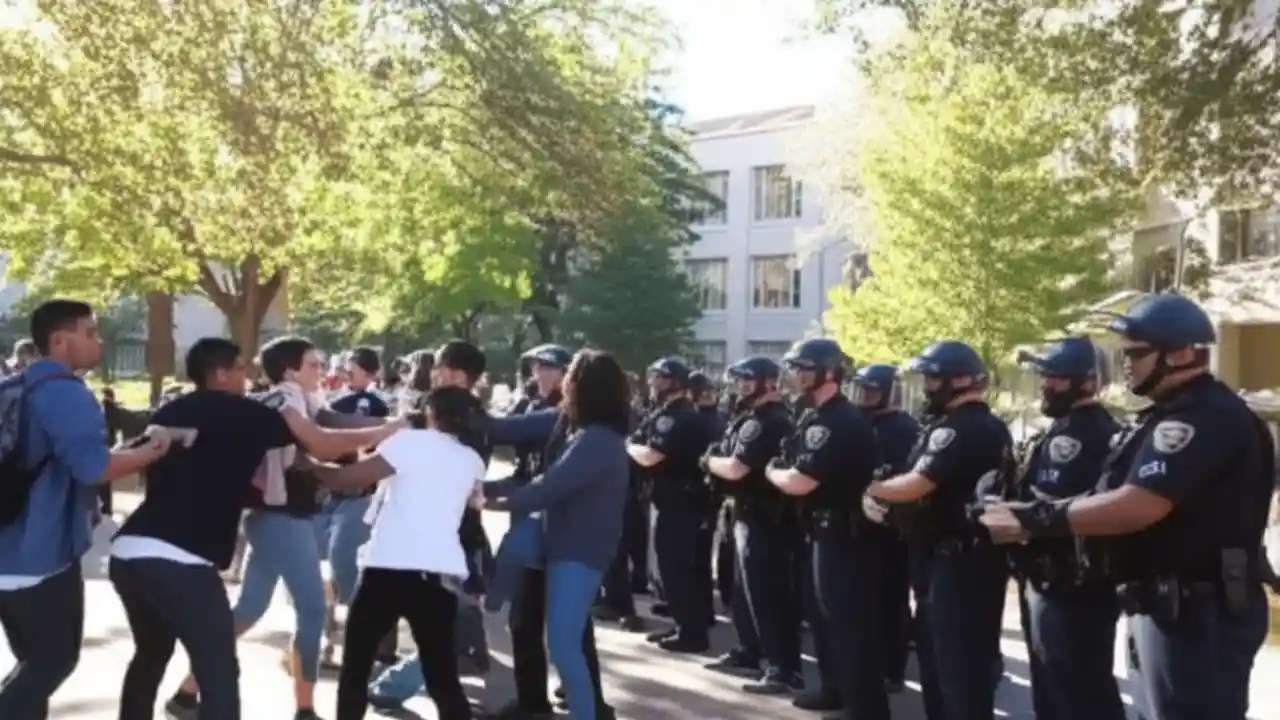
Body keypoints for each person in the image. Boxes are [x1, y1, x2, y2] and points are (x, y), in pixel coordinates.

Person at [980, 293, 1273, 718]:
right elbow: (1109, 494)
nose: (1126, 364)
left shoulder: (1203, 416)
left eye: (1137, 352)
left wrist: (1038, 518)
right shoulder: (1166, 415)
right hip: (1166, 604)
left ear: (1182, 353)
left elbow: (1139, 505)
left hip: (1197, 613)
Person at [111, 337, 403, 720]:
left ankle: (175, 701)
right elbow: (322, 443)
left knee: (152, 654)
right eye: (239, 367)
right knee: (222, 667)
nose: (248, 375)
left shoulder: (173, 407)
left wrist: (383, 426)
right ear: (220, 373)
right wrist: (390, 430)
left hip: (129, 550)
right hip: (181, 558)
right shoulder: (249, 413)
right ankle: (302, 708)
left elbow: (325, 423)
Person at [0, 300, 171, 720]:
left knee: (31, 663)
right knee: (53, 661)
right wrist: (153, 449)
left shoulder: (9, 388)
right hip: (39, 551)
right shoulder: (65, 392)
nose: (100, 341)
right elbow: (94, 468)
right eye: (90, 332)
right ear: (60, 340)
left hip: (9, 547)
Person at [305, 386, 485, 720]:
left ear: (430, 411)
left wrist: (307, 463)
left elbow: (346, 480)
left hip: (386, 569)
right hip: (438, 575)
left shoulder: (407, 443)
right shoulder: (473, 460)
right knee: (442, 677)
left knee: (356, 667)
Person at [864, 340, 1013, 720]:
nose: (926, 388)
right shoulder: (965, 425)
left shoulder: (963, 429)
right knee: (939, 664)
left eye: (932, 379)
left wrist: (869, 488)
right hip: (943, 558)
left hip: (960, 563)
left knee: (958, 670)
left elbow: (919, 483)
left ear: (958, 381)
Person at [488, 350, 631, 720]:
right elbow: (511, 437)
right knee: (559, 639)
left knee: (566, 647)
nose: (562, 382)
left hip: (578, 553)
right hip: (563, 545)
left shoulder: (595, 440)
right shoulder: (584, 431)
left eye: (568, 376)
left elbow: (549, 487)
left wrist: (489, 503)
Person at [767, 339, 888, 720]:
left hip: (846, 537)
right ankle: (837, 690)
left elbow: (802, 481)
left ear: (829, 372)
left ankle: (866, 708)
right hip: (824, 531)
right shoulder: (819, 418)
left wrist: (772, 472)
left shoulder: (837, 421)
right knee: (826, 620)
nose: (797, 374)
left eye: (805, 367)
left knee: (848, 625)